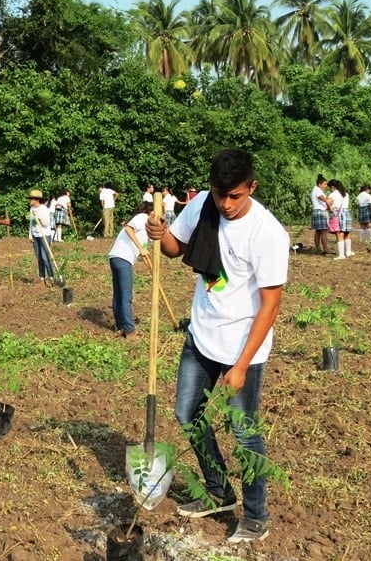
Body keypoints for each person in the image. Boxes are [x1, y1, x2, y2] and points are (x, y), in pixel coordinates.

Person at [146, 149, 289, 544]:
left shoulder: (268, 233)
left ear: (252, 188)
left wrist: (241, 365)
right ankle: (220, 492)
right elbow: (175, 247)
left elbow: (270, 305)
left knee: (244, 432)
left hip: (244, 345)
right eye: (220, 194)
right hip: (202, 334)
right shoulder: (202, 206)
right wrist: (160, 236)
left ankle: (257, 514)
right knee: (187, 412)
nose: (226, 204)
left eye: (236, 196)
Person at [108, 201, 153, 340]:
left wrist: (143, 251)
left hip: (116, 257)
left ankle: (120, 326)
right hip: (122, 259)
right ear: (151, 212)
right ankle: (129, 330)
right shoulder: (143, 217)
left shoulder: (146, 226)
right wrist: (140, 248)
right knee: (126, 296)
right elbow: (128, 229)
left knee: (119, 294)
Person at [28, 190, 55, 284]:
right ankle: (42, 277)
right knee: (39, 258)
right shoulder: (31, 209)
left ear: (36, 199)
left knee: (45, 257)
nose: (30, 200)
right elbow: (31, 223)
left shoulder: (44, 209)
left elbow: (46, 223)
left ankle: (51, 276)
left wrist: (38, 217)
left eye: (31, 199)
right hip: (35, 236)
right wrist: (30, 235)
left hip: (44, 235)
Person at [328, 179, 353, 260]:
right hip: (346, 212)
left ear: (333, 187)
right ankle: (348, 251)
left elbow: (327, 202)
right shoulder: (346, 194)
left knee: (339, 233)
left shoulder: (333, 194)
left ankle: (341, 255)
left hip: (338, 213)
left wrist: (330, 207)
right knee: (347, 232)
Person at [310, 174, 331, 255]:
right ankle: (325, 249)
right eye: (324, 184)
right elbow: (325, 200)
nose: (325, 186)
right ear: (319, 184)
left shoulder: (316, 190)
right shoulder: (317, 190)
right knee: (324, 231)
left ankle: (317, 248)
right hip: (320, 212)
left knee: (318, 231)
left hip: (318, 211)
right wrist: (330, 203)